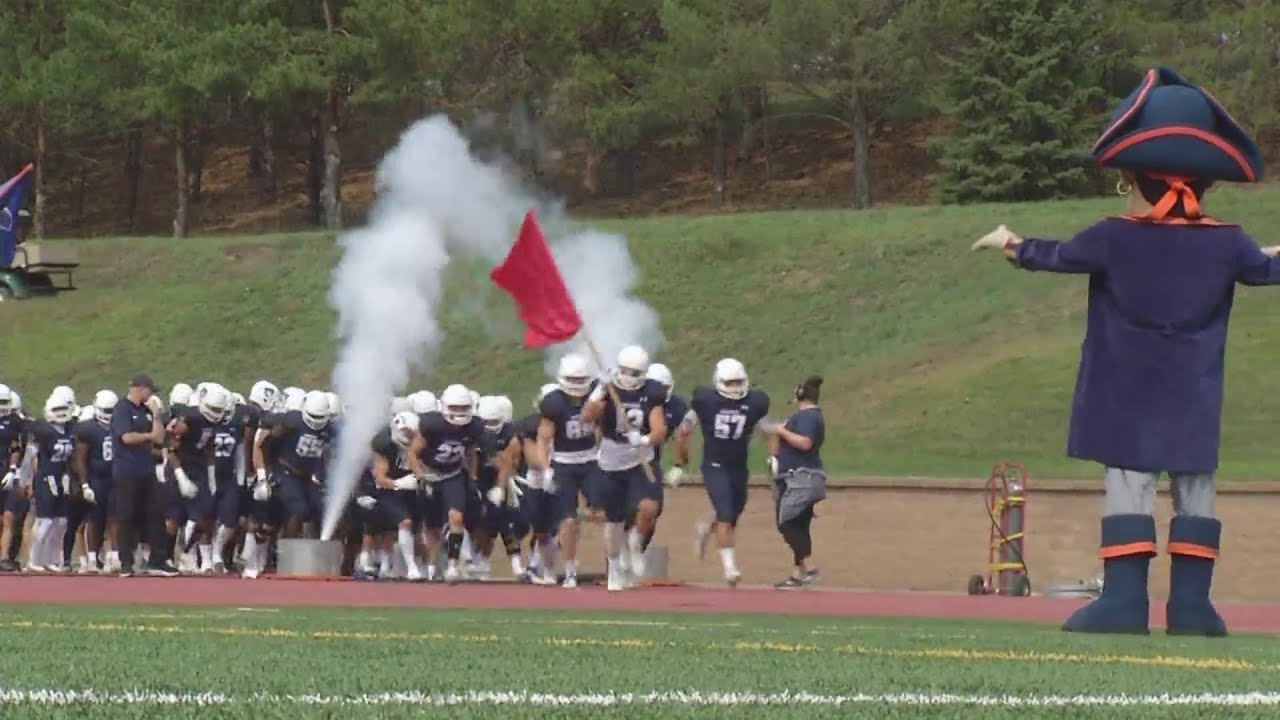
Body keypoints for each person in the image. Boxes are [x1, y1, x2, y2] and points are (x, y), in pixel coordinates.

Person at [971, 67, 1272, 637]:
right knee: (1196, 493)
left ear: (1135, 178)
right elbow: (1264, 267)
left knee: (1129, 490)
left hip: (1128, 395)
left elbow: (1053, 255)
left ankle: (1125, 603)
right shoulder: (1228, 243)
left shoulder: (1113, 236)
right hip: (1194, 398)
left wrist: (1010, 241)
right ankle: (1192, 609)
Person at [580, 345, 668, 592]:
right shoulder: (607, 387)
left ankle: (635, 544)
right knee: (614, 521)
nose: (629, 376)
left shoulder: (652, 391)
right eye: (625, 370)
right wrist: (598, 394)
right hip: (612, 459)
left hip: (640, 457)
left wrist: (645, 439)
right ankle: (614, 567)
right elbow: (586, 417)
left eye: (634, 372)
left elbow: (660, 429)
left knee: (649, 507)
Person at [680, 358, 770, 587]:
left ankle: (706, 526)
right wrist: (680, 462)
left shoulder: (754, 403)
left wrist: (773, 457)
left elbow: (768, 431)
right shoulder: (705, 402)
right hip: (715, 465)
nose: (734, 387)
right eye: (730, 383)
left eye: (738, 382)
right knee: (726, 515)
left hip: (739, 467)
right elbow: (684, 430)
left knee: (731, 514)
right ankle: (730, 569)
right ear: (719, 382)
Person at [763, 376, 826, 589]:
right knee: (799, 525)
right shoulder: (807, 417)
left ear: (799, 395)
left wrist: (781, 431)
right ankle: (798, 574)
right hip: (805, 477)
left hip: (801, 477)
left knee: (786, 522)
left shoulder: (807, 417)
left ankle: (809, 566)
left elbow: (805, 443)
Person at [110, 374, 176, 576]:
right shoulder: (122, 409)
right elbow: (126, 437)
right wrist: (148, 436)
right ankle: (126, 562)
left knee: (155, 514)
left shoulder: (145, 411)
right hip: (127, 470)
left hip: (147, 469)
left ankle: (157, 560)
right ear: (141, 389)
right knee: (127, 516)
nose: (150, 395)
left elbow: (159, 438)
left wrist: (156, 415)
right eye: (149, 391)